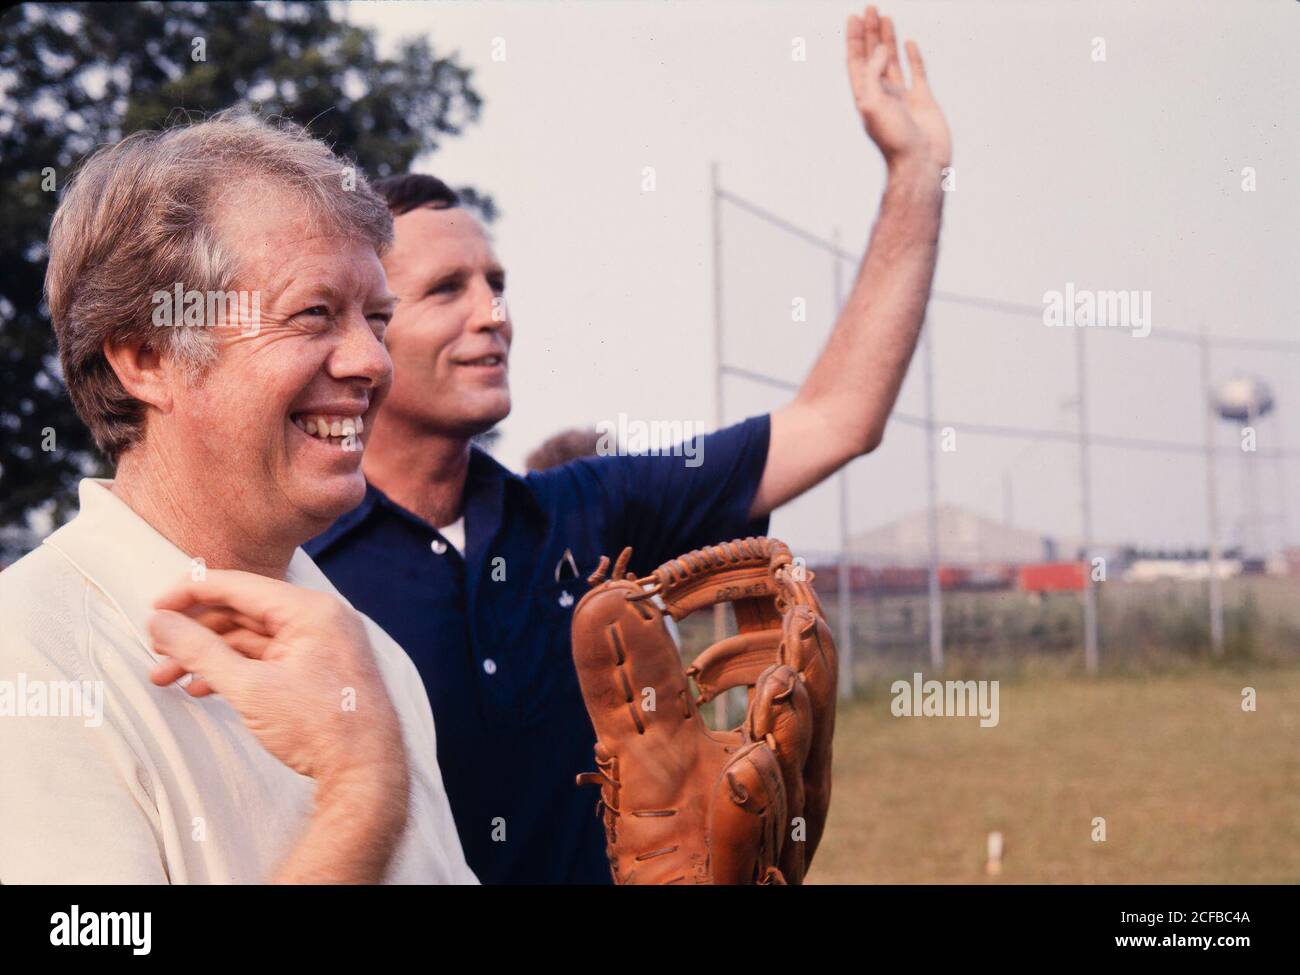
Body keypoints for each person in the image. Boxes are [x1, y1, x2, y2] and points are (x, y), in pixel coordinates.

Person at [307, 5, 949, 883]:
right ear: (367, 327)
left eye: (496, 283)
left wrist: (916, 173)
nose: (493, 313)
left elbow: (839, 418)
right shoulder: (299, 565)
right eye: (447, 289)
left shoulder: (587, 511)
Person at [0, 108, 476, 884]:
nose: (371, 361)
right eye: (314, 313)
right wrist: (361, 792)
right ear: (147, 357)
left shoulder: (367, 654)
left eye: (377, 319)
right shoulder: (25, 661)